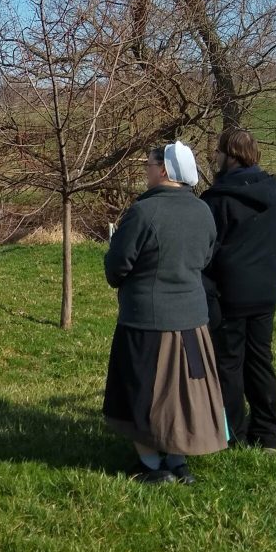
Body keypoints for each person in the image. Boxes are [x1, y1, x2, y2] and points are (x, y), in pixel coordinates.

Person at [103, 141, 226, 484]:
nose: (145, 171)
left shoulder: (144, 213)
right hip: (192, 321)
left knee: (144, 394)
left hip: (147, 322)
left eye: (148, 165)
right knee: (180, 397)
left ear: (163, 170)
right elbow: (204, 259)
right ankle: (177, 461)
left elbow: (117, 267)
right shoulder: (203, 211)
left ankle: (153, 467)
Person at [201, 128, 276, 451]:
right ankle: (267, 432)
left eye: (218, 152)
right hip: (266, 291)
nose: (215, 157)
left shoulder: (217, 199)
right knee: (260, 360)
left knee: (228, 363)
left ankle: (231, 432)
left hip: (226, 293)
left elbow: (204, 244)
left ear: (230, 156)